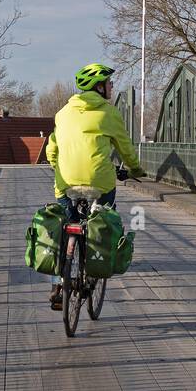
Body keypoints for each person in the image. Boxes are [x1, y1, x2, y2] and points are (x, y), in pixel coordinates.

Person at [46, 62, 145, 309]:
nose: (112, 86)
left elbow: (52, 148)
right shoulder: (109, 114)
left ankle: (59, 282)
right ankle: (93, 268)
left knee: (64, 227)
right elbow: (125, 148)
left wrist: (56, 166)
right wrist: (135, 169)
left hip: (65, 183)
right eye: (109, 83)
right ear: (99, 87)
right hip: (100, 184)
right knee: (102, 222)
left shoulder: (62, 113)